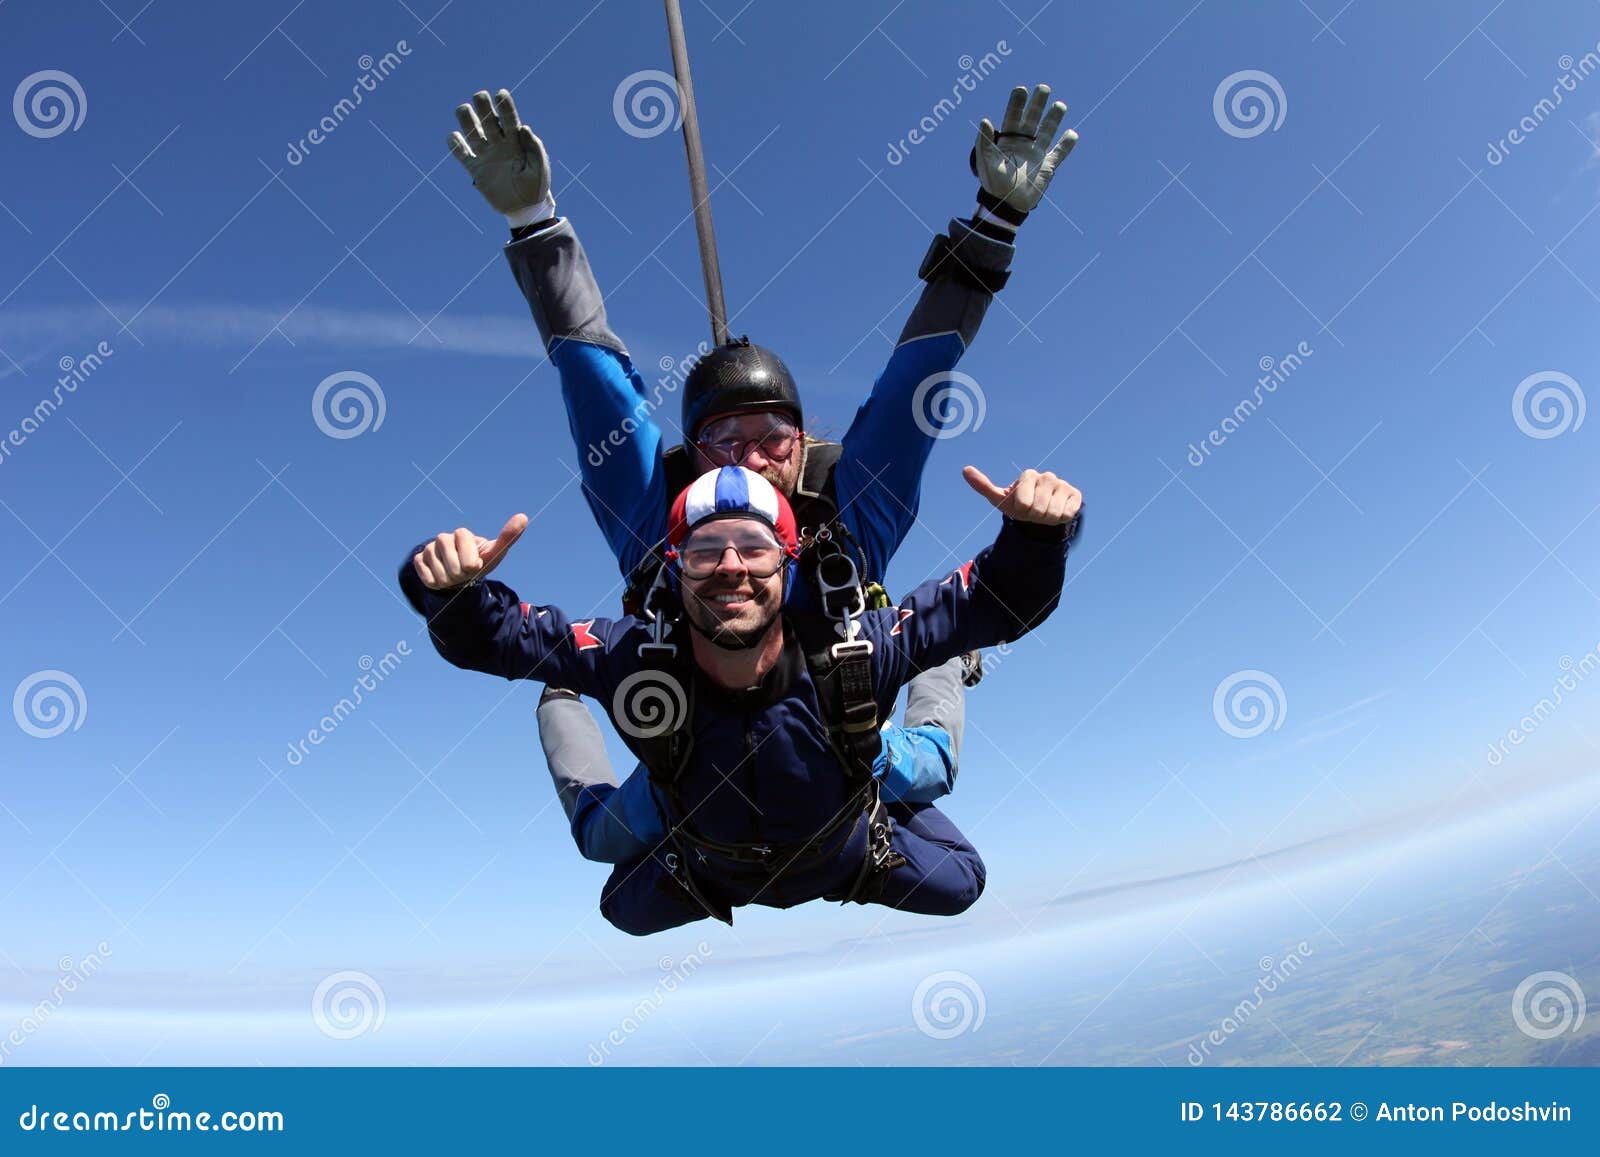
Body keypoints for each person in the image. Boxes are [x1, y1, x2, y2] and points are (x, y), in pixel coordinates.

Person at [445, 83, 1079, 863]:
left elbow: (921, 369)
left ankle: (943, 657)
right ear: (687, 456)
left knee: (933, 776)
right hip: (696, 767)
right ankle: (561, 693)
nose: (749, 455)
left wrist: (996, 222)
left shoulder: (848, 513)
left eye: (772, 435)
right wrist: (532, 222)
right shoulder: (660, 525)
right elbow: (594, 383)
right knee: (606, 840)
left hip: (839, 743)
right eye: (721, 438)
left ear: (803, 440)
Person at [401, 464, 1082, 935]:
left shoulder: (857, 646)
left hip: (840, 843)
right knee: (608, 875)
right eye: (706, 550)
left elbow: (992, 601)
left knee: (955, 847)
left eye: (754, 546)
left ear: (789, 565)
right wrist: (446, 588)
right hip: (707, 859)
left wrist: (1037, 535)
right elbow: (498, 638)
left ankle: (945, 667)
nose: (732, 565)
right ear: (676, 570)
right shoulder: (634, 657)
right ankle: (562, 694)